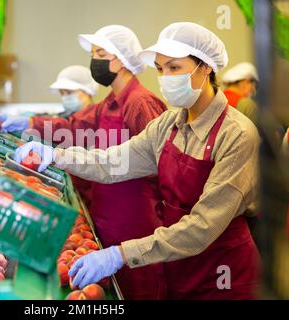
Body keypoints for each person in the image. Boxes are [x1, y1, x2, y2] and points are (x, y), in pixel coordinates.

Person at [14, 22, 261, 300]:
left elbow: (203, 227)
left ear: (206, 67)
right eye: (160, 68)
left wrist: (121, 254)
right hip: (176, 263)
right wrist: (56, 155)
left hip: (221, 273)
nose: (165, 77)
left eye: (175, 67)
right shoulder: (167, 125)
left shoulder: (237, 134)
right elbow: (113, 162)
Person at [0, 25, 168, 299]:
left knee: (140, 289)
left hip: (135, 223)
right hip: (107, 218)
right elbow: (72, 126)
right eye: (93, 53)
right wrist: (28, 123)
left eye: (101, 53)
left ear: (122, 60)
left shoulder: (140, 103)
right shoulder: (109, 103)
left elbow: (163, 165)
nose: (94, 60)